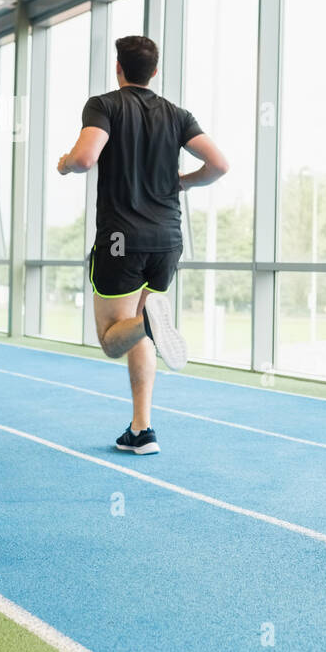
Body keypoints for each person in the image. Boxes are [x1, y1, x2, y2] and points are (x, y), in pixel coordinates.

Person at [57, 34, 228, 455]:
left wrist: (64, 164)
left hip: (120, 238)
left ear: (119, 68)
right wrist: (180, 183)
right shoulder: (177, 114)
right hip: (167, 239)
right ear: (155, 71)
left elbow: (83, 158)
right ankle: (142, 429)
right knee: (139, 331)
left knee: (113, 338)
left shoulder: (105, 105)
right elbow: (219, 165)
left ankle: (150, 320)